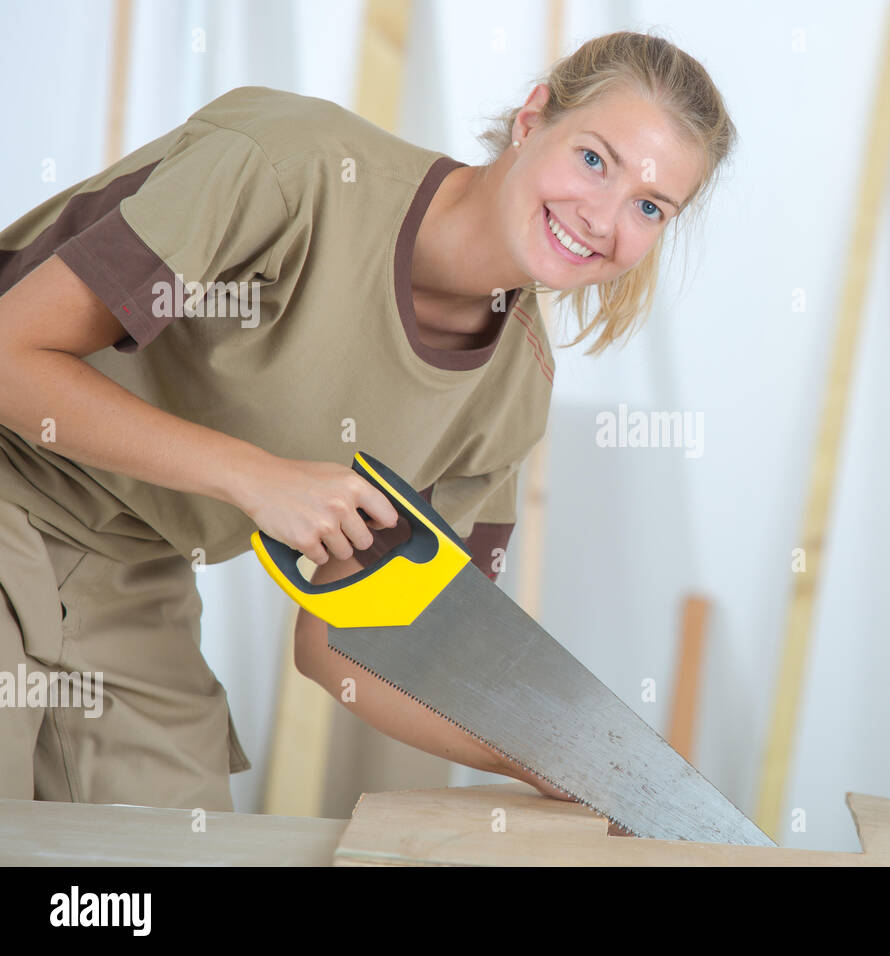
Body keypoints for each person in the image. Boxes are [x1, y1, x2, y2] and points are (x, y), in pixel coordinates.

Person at [0, 30, 736, 815]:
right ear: (532, 120)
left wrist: (563, 765)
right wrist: (257, 478)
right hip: (13, 479)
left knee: (179, 844)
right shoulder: (292, 170)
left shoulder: (510, 393)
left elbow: (342, 644)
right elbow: (11, 352)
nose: (603, 218)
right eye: (595, 160)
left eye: (650, 207)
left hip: (133, 561)